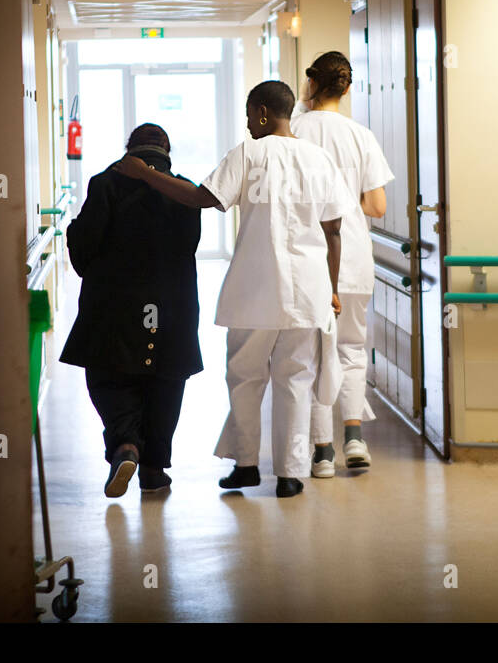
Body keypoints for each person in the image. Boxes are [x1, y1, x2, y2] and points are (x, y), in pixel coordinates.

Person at [114, 80, 353, 498]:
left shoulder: (250, 152)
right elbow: (334, 232)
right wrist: (332, 289)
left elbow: (199, 197)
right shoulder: (320, 160)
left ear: (262, 112)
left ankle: (245, 466)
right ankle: (291, 474)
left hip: (256, 290)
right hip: (309, 290)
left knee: (245, 377)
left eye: (248, 114)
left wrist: (147, 175)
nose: (246, 123)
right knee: (295, 379)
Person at [59, 123, 203, 498]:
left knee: (110, 377)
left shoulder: (104, 184)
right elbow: (189, 243)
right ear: (166, 151)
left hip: (114, 305)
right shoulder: (185, 191)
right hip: (172, 308)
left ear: (130, 149)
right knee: (165, 382)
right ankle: (153, 470)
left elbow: (85, 251)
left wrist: (75, 232)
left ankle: (125, 446)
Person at [292, 51, 395, 476]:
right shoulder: (360, 135)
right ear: (348, 88)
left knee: (312, 356)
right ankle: (354, 437)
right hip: (352, 261)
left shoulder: (293, 130)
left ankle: (322, 453)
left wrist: (302, 101)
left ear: (311, 84)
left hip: (307, 260)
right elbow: (377, 206)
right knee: (352, 349)